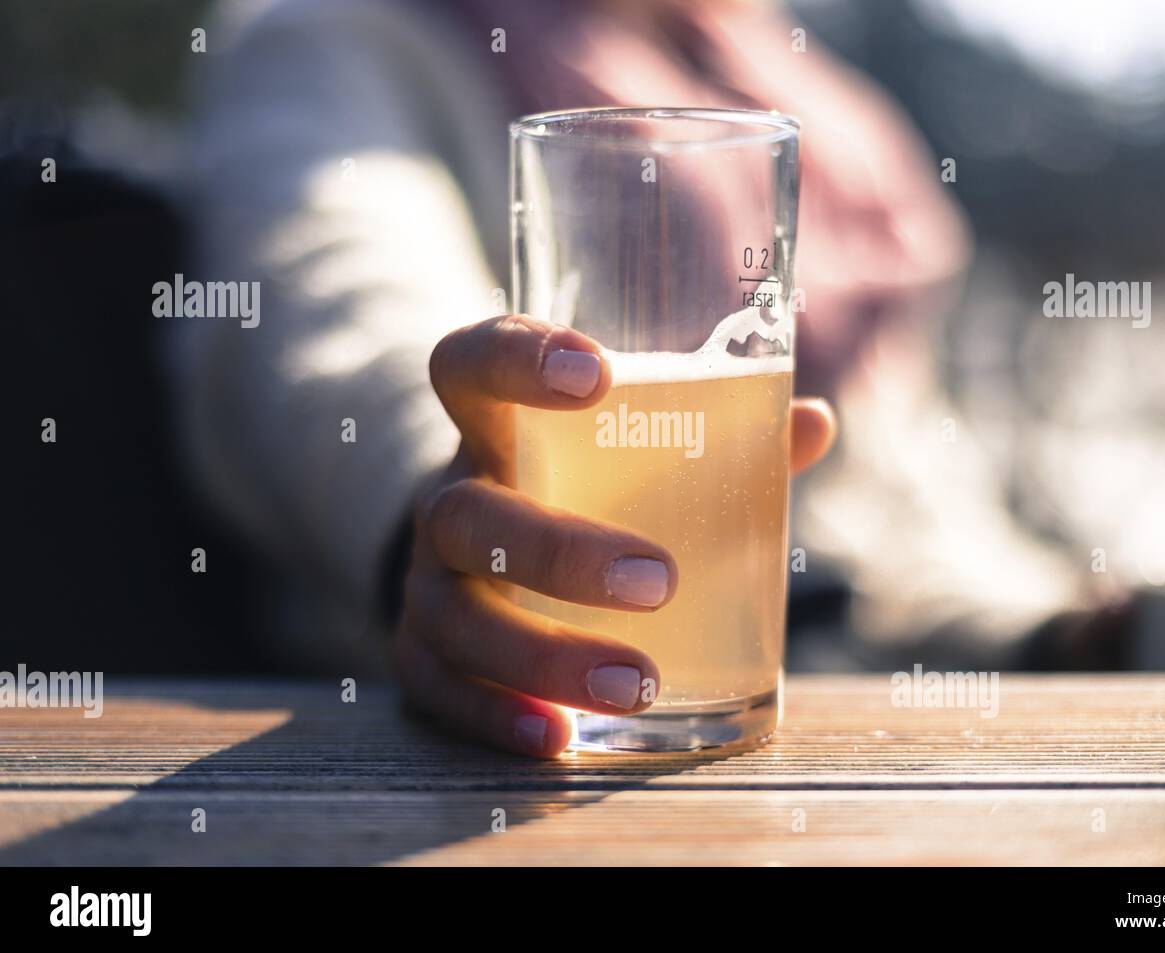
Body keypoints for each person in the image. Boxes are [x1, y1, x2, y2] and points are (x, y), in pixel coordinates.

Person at [178, 0, 971, 755]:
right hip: (446, 761)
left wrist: (1058, 630)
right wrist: (454, 510)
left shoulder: (773, 83)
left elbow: (916, 532)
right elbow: (333, 306)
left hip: (860, 674)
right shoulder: (335, 37)